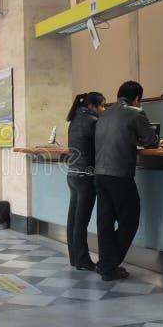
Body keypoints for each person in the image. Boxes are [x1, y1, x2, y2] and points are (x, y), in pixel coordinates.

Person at [94, 81, 159, 281]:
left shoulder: (104, 114)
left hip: (100, 174)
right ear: (137, 98)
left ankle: (105, 264)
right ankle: (109, 264)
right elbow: (151, 141)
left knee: (105, 221)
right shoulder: (135, 112)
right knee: (130, 219)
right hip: (119, 175)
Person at [65, 91, 106, 271]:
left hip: (73, 174)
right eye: (102, 105)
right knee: (81, 221)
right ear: (92, 106)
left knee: (73, 219)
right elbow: (102, 145)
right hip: (86, 175)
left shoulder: (74, 120)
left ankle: (75, 257)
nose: (103, 110)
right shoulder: (93, 121)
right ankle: (83, 259)